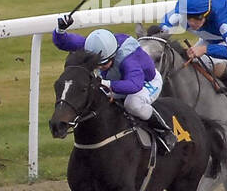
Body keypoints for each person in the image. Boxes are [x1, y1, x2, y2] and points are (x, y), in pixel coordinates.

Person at [55, 16, 174, 151]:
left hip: (146, 82)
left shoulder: (129, 59)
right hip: (119, 80)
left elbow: (135, 85)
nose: (101, 67)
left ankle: (164, 130)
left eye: (105, 63)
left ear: (113, 55)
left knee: (132, 104)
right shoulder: (96, 46)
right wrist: (60, 30)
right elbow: (65, 43)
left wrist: (106, 83)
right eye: (98, 64)